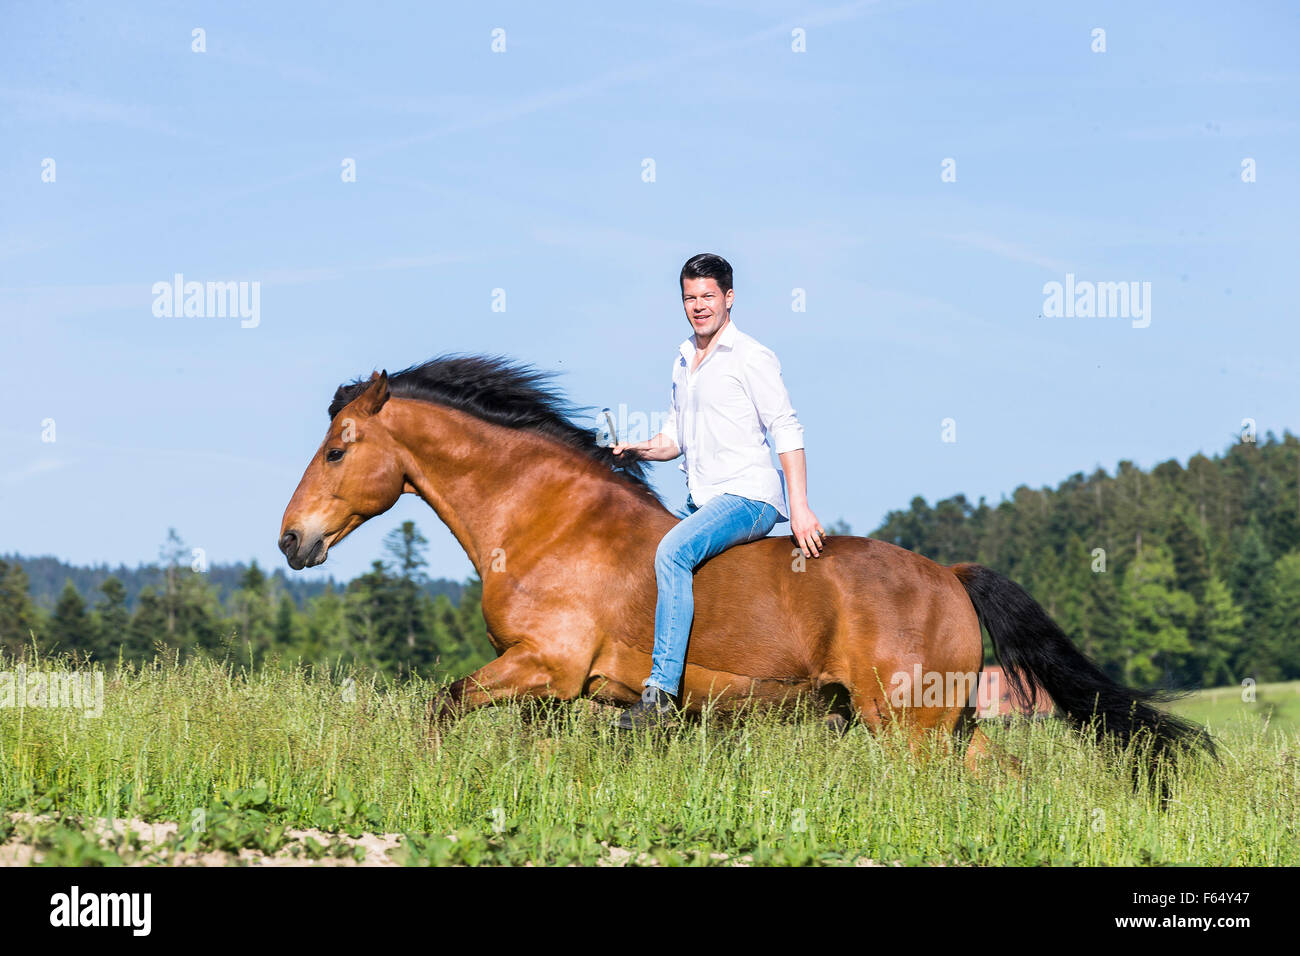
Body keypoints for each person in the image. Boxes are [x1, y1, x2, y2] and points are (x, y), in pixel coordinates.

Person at [611, 252, 824, 730]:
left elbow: (785, 430)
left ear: (729, 298)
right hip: (701, 500)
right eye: (690, 298)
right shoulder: (684, 358)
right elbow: (674, 438)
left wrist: (801, 507)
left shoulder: (752, 356)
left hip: (748, 497)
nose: (699, 305)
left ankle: (661, 695)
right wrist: (638, 450)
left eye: (708, 296)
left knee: (672, 554)